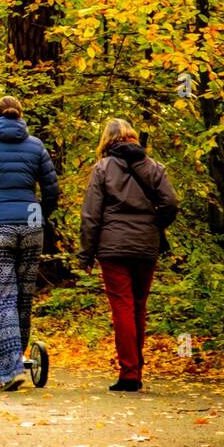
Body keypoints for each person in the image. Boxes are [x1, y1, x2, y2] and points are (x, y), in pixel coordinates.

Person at [0, 95, 59, 390]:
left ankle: (8, 370)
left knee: (1, 298)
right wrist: (40, 213)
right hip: (31, 222)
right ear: (20, 115)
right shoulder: (35, 145)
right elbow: (51, 189)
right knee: (23, 296)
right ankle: (18, 355)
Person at [78, 118, 178, 392]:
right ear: (132, 137)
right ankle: (135, 367)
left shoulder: (102, 168)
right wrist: (154, 226)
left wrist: (85, 254)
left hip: (112, 246)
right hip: (146, 245)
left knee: (122, 306)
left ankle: (130, 373)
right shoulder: (153, 166)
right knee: (138, 305)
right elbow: (170, 203)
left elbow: (91, 215)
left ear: (107, 141)